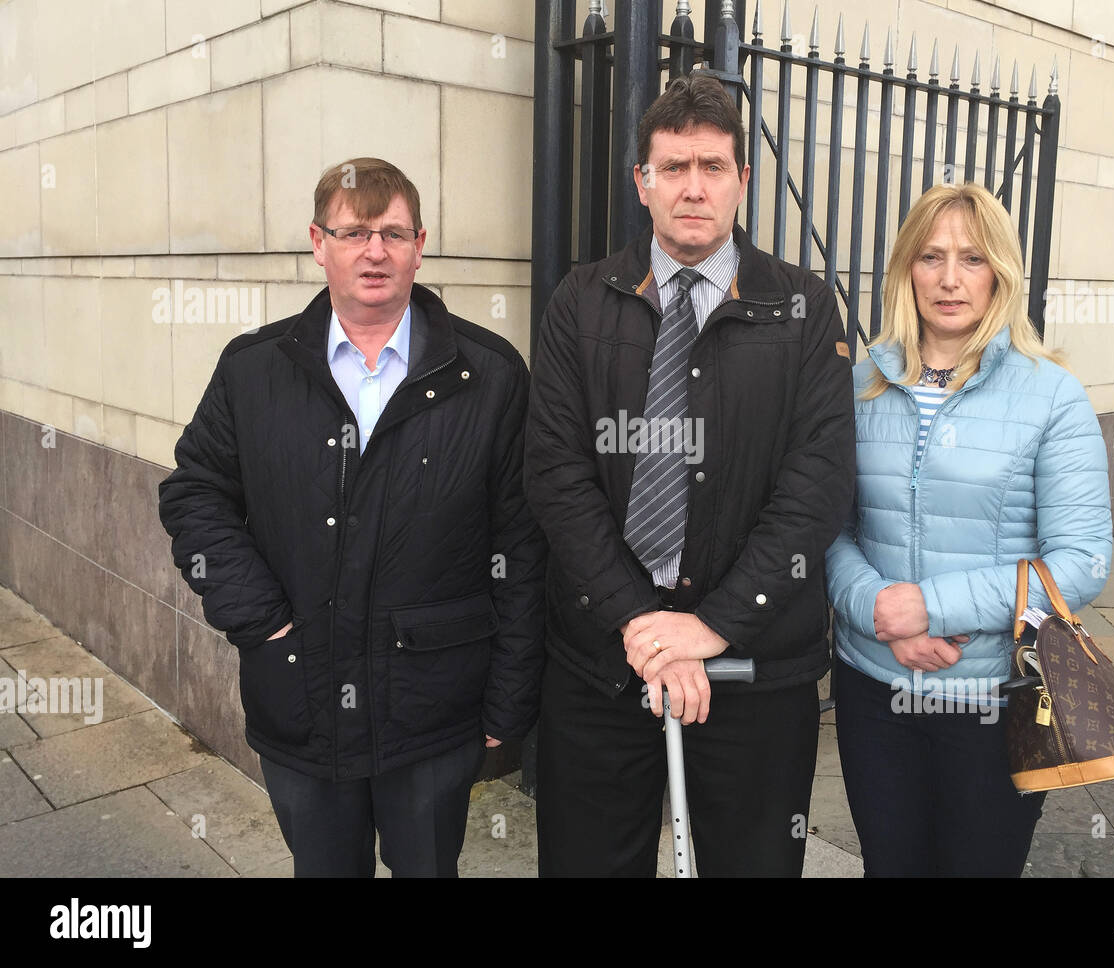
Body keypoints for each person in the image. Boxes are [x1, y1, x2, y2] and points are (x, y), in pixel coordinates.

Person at [158, 157, 545, 876]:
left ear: (420, 245)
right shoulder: (255, 369)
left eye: (393, 233)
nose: (375, 251)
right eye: (355, 232)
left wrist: (509, 703)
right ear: (318, 242)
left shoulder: (489, 377)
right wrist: (264, 624)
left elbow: (521, 547)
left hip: (432, 714)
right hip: (301, 700)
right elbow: (195, 493)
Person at [525, 74, 855, 876]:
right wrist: (642, 623)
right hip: (605, 662)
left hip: (756, 669)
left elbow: (817, 482)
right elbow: (555, 470)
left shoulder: (803, 306)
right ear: (642, 183)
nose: (694, 187)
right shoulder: (583, 298)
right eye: (673, 168)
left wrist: (712, 626)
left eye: (713, 165)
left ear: (744, 178)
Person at [825, 181, 1113, 876]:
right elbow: (828, 528)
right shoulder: (862, 384)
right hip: (874, 693)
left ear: (1001, 275)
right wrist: (878, 609)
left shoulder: (1051, 394)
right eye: (931, 257)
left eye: (973, 259)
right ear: (906, 270)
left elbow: (1081, 562)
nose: (950, 279)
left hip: (992, 699)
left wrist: (929, 607)